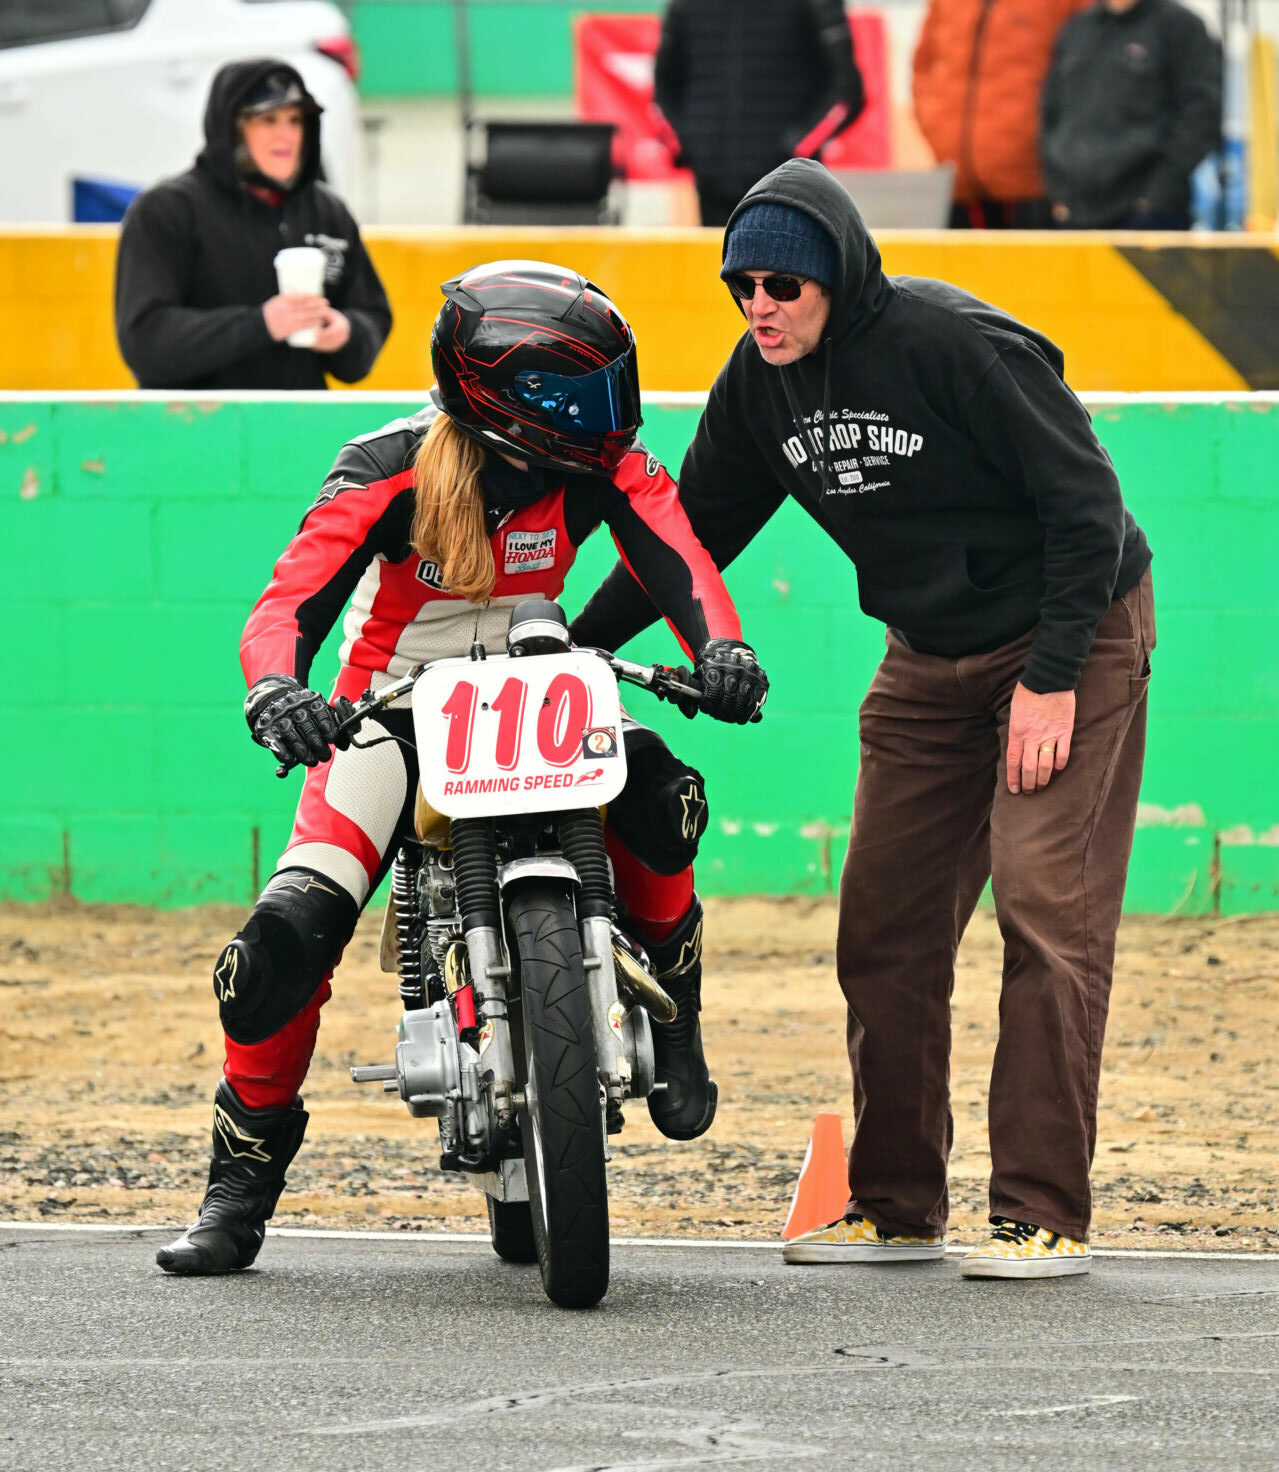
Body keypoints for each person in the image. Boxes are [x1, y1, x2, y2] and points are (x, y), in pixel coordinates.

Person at [570, 159, 1155, 1280]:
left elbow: (1088, 508)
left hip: (1066, 640)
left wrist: (1052, 675)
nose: (760, 304)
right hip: (925, 660)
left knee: (1043, 912)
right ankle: (894, 1204)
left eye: (783, 285)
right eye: (741, 283)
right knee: (882, 926)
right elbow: (690, 535)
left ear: (837, 274)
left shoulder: (955, 345)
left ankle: (1041, 1213)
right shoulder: (760, 384)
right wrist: (582, 639)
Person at [155, 260, 768, 1275]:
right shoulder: (384, 463)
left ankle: (678, 1012)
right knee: (276, 949)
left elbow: (684, 563)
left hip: (545, 684)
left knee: (670, 803)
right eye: (582, 392)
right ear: (503, 394)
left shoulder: (609, 466)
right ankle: (238, 1187)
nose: (608, 413)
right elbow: (287, 601)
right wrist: (276, 690)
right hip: (391, 708)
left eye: (614, 384)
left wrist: (724, 651)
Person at [115, 59, 391, 389]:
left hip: (299, 425)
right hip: (192, 428)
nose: (285, 136)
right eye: (267, 120)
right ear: (230, 129)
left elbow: (373, 314)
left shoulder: (327, 210)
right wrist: (260, 325)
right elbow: (145, 338)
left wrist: (347, 332)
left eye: (294, 120)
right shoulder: (166, 210)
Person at [653, 0, 865, 227]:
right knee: (718, 261)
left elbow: (846, 92)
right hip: (713, 186)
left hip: (789, 190)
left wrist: (796, 150)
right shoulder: (686, 5)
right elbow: (663, 87)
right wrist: (689, 146)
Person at [1040, 0, 1222, 229]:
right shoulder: (1077, 28)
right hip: (1075, 213)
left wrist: (1155, 196)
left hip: (1148, 216)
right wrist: (1059, 195)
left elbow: (1201, 115)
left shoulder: (1180, 27)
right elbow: (1050, 114)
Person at [912, 0, 1091, 229]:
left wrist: (1047, 145)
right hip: (957, 183)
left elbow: (1086, 73)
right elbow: (924, 62)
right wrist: (935, 127)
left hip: (1033, 188)